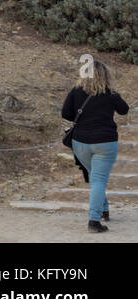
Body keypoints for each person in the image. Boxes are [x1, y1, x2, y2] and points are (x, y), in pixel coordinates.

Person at [62, 60, 129, 232]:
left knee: (95, 177)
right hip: (105, 143)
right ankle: (94, 221)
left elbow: (65, 113)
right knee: (98, 179)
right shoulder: (110, 93)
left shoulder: (75, 91)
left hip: (80, 143)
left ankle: (104, 209)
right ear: (105, 75)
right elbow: (124, 110)